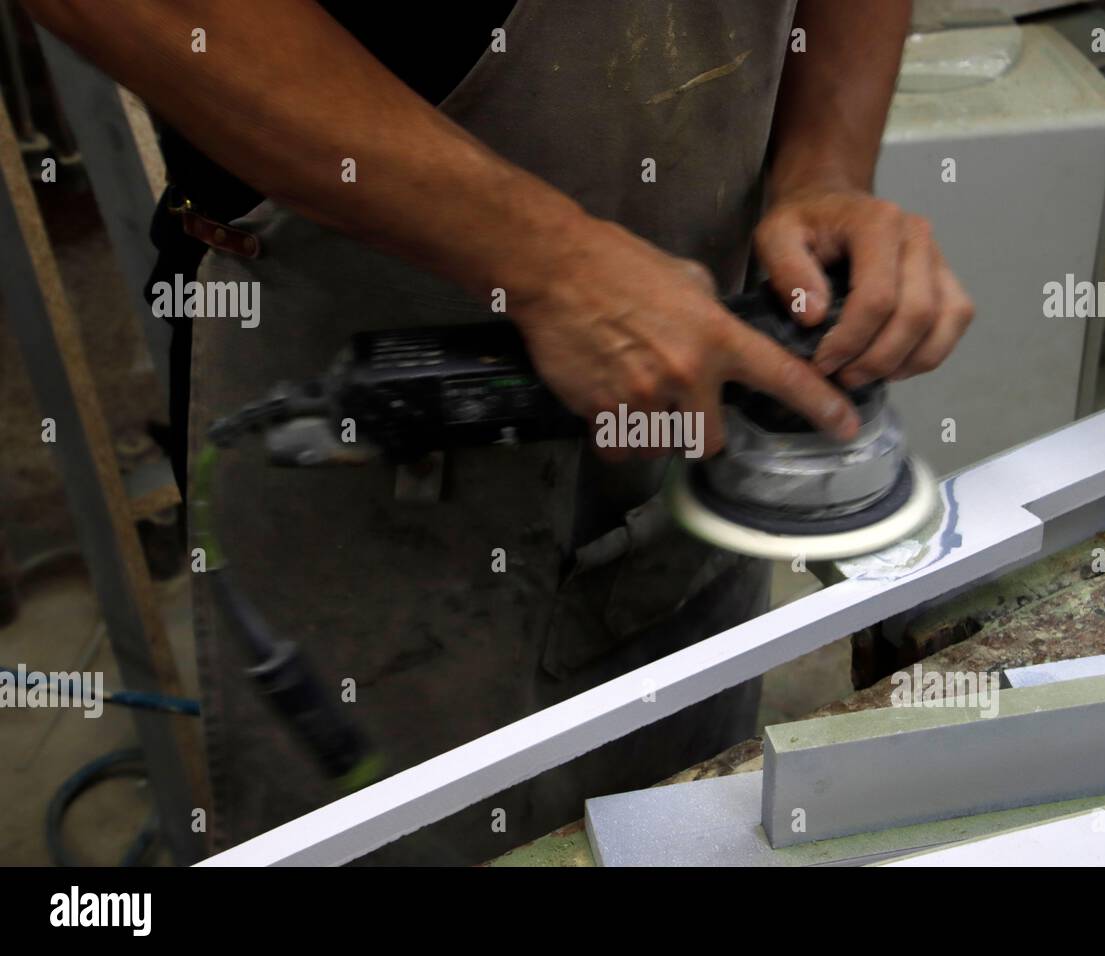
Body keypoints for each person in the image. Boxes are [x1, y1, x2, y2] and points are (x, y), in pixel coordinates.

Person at [25, 0, 973, 863]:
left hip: (682, 388)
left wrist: (824, 165)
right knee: (404, 833)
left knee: (681, 811)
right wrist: (549, 263)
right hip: (372, 418)